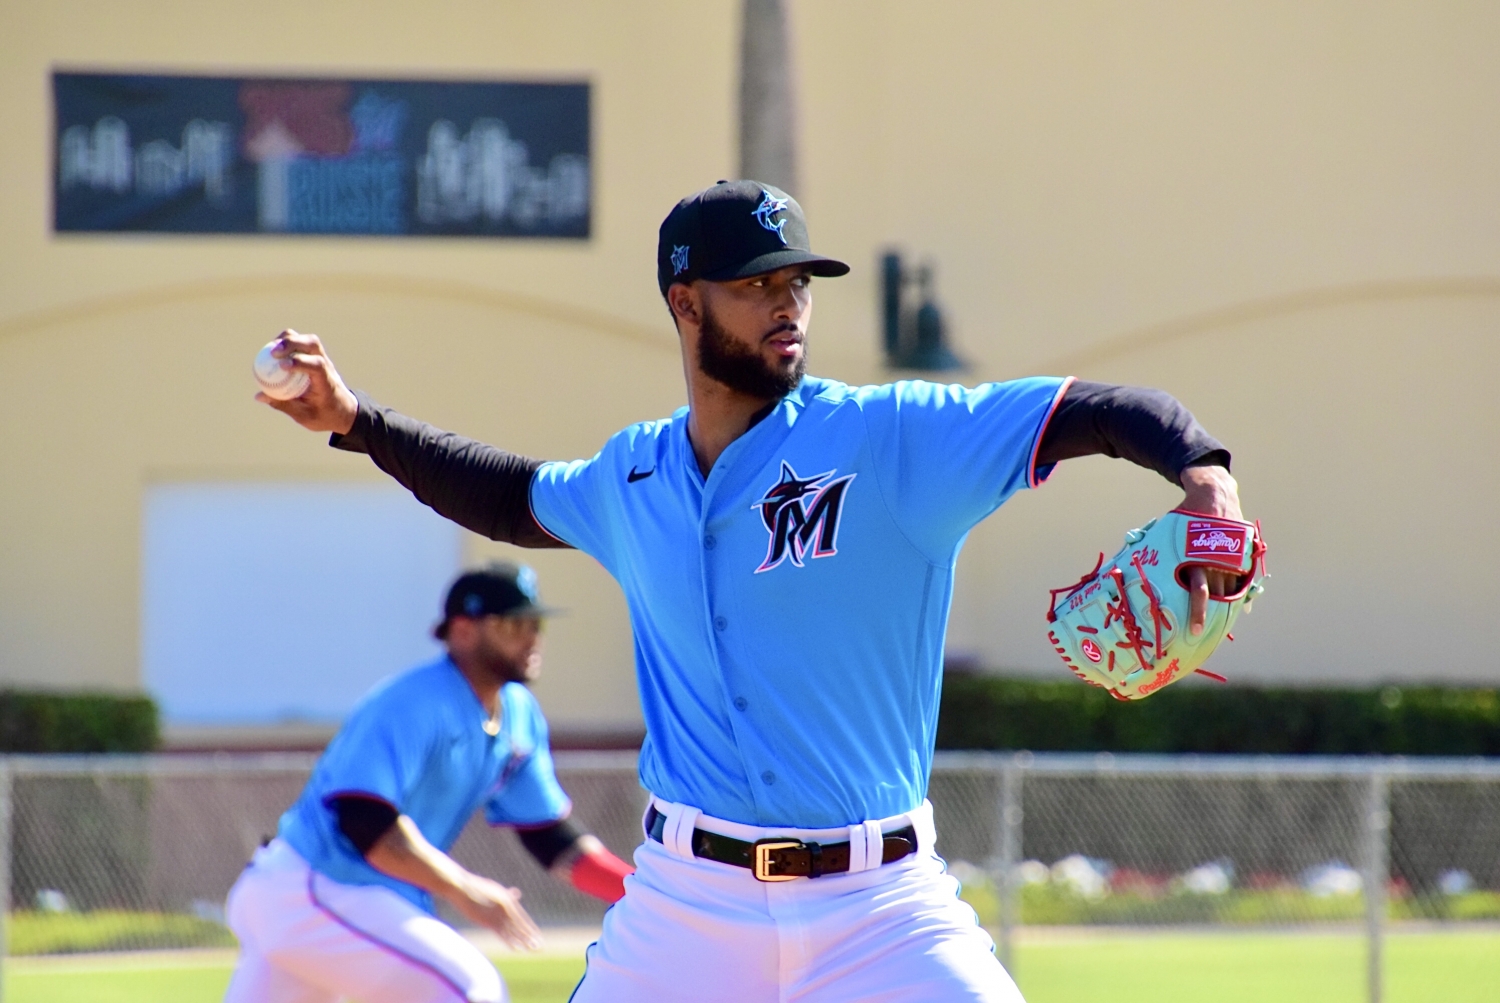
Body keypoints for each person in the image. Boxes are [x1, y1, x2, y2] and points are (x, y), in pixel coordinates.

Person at [257, 179, 1245, 1002]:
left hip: (882, 908)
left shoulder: (891, 439)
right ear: (686, 302)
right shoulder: (630, 475)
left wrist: (1209, 487)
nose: (788, 303)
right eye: (756, 284)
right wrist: (357, 420)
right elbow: (506, 495)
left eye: (798, 283)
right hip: (688, 906)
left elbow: (1105, 411)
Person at [223, 563, 634, 1003]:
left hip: (330, 901)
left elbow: (551, 838)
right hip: (313, 886)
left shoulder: (518, 713)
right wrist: (465, 888)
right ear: (462, 631)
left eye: (535, 623)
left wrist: (642, 894)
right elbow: (366, 823)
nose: (531, 636)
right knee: (468, 989)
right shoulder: (412, 702)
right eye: (512, 623)